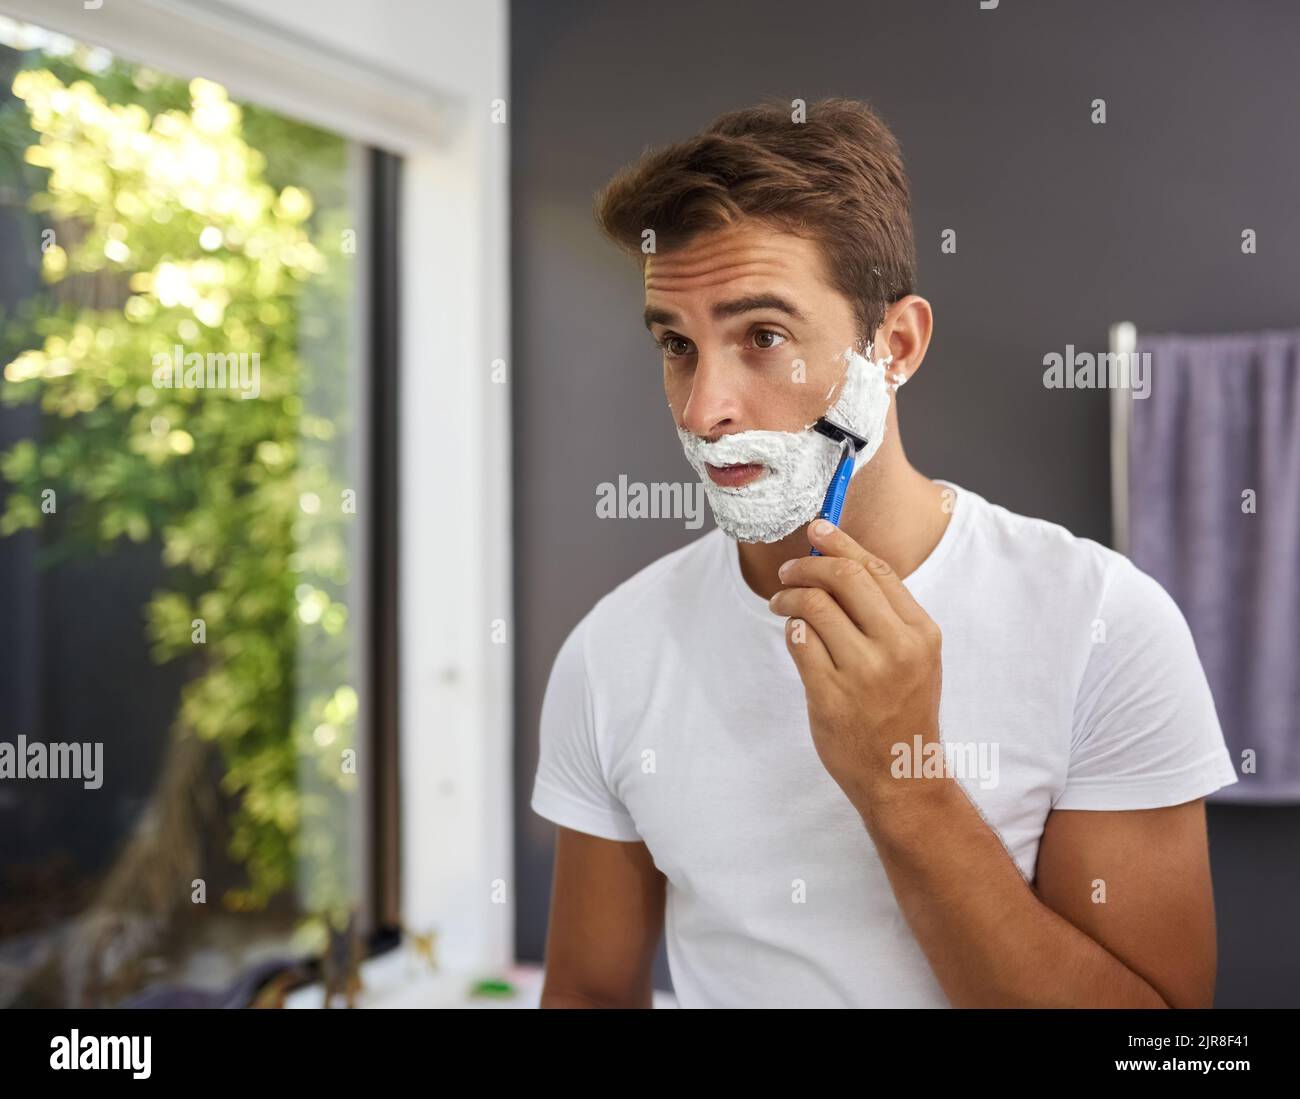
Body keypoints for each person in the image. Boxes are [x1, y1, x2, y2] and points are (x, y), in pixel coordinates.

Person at [530, 97, 1238, 1009]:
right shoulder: (613, 650)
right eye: (678, 345)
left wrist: (904, 782)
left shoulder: (1105, 625)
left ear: (894, 346)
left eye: (764, 338)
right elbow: (587, 995)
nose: (705, 410)